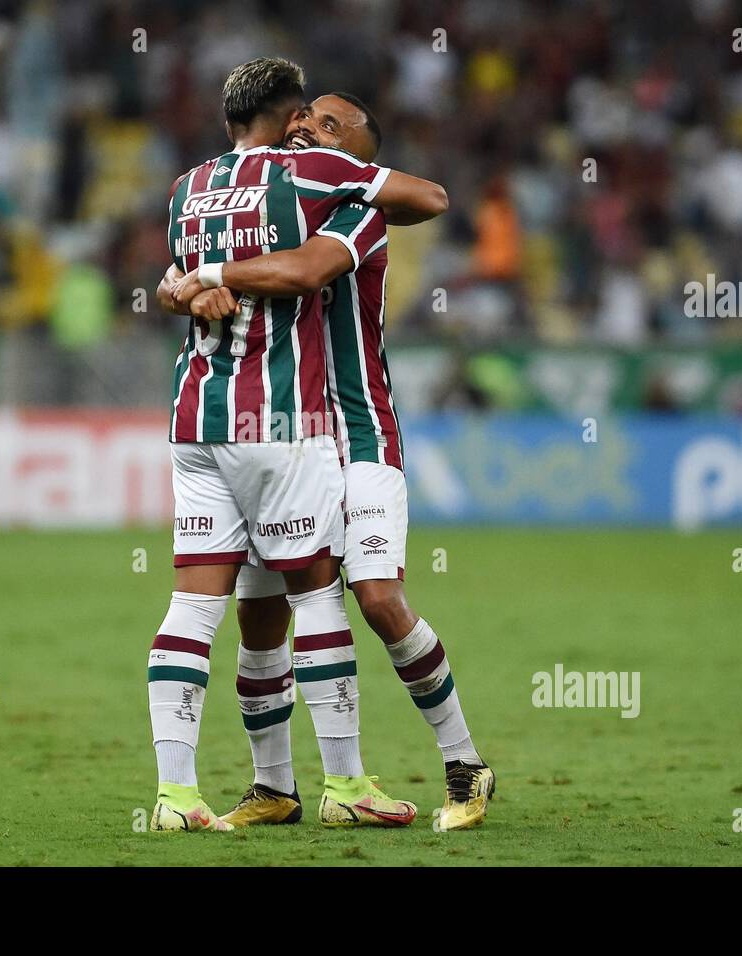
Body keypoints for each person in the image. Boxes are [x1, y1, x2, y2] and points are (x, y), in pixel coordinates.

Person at [162, 93, 493, 831]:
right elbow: (198, 266)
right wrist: (182, 285)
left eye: (330, 124)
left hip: (358, 433)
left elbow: (307, 271)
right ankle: (273, 786)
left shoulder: (357, 213)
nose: (308, 124)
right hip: (281, 429)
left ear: (355, 156)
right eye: (306, 114)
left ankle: (465, 762)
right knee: (260, 617)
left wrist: (209, 274)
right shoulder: (273, 206)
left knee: (376, 599)